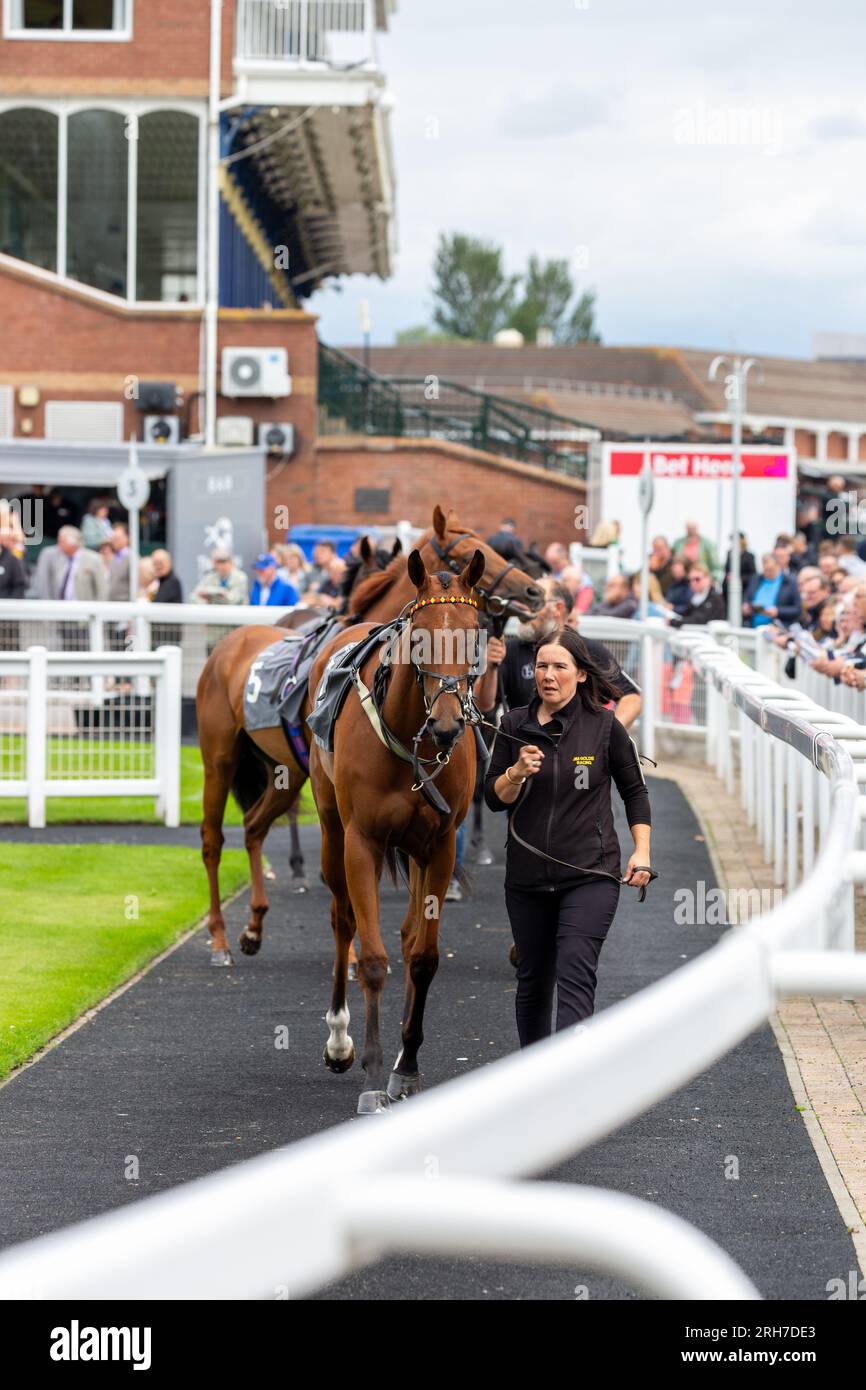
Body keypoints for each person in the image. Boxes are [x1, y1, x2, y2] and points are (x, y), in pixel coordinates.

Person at [483, 626, 652, 1046]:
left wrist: (642, 852)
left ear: (579, 674)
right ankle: (534, 1075)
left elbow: (634, 791)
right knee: (534, 981)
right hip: (526, 880)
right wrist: (515, 773)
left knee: (575, 972)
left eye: (560, 666)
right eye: (542, 666)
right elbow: (492, 799)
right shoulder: (512, 725)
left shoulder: (604, 727)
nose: (548, 675)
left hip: (590, 874)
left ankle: (566, 1079)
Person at [474, 577, 642, 730]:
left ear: (558, 608)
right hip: (527, 754)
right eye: (524, 602)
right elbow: (484, 706)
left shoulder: (589, 650)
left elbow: (632, 698)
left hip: (578, 758)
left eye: (534, 602)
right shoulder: (510, 650)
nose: (524, 610)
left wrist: (606, 737)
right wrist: (491, 667)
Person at [33, 525, 108, 601]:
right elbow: (43, 584)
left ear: (73, 543)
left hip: (83, 608)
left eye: (62, 542)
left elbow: (102, 588)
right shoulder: (52, 555)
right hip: (57, 606)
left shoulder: (94, 559)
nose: (59, 545)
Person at [743, 553, 800, 628]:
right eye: (765, 570)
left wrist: (778, 611)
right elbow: (747, 598)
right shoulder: (756, 579)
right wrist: (746, 606)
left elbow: (797, 609)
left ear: (778, 566)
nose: (767, 573)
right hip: (753, 626)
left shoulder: (789, 582)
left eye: (771, 570)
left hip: (777, 629)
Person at [107, 522, 130, 601]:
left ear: (127, 538)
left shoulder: (132, 558)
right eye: (113, 538)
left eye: (117, 538)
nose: (114, 541)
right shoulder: (112, 557)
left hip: (125, 604)